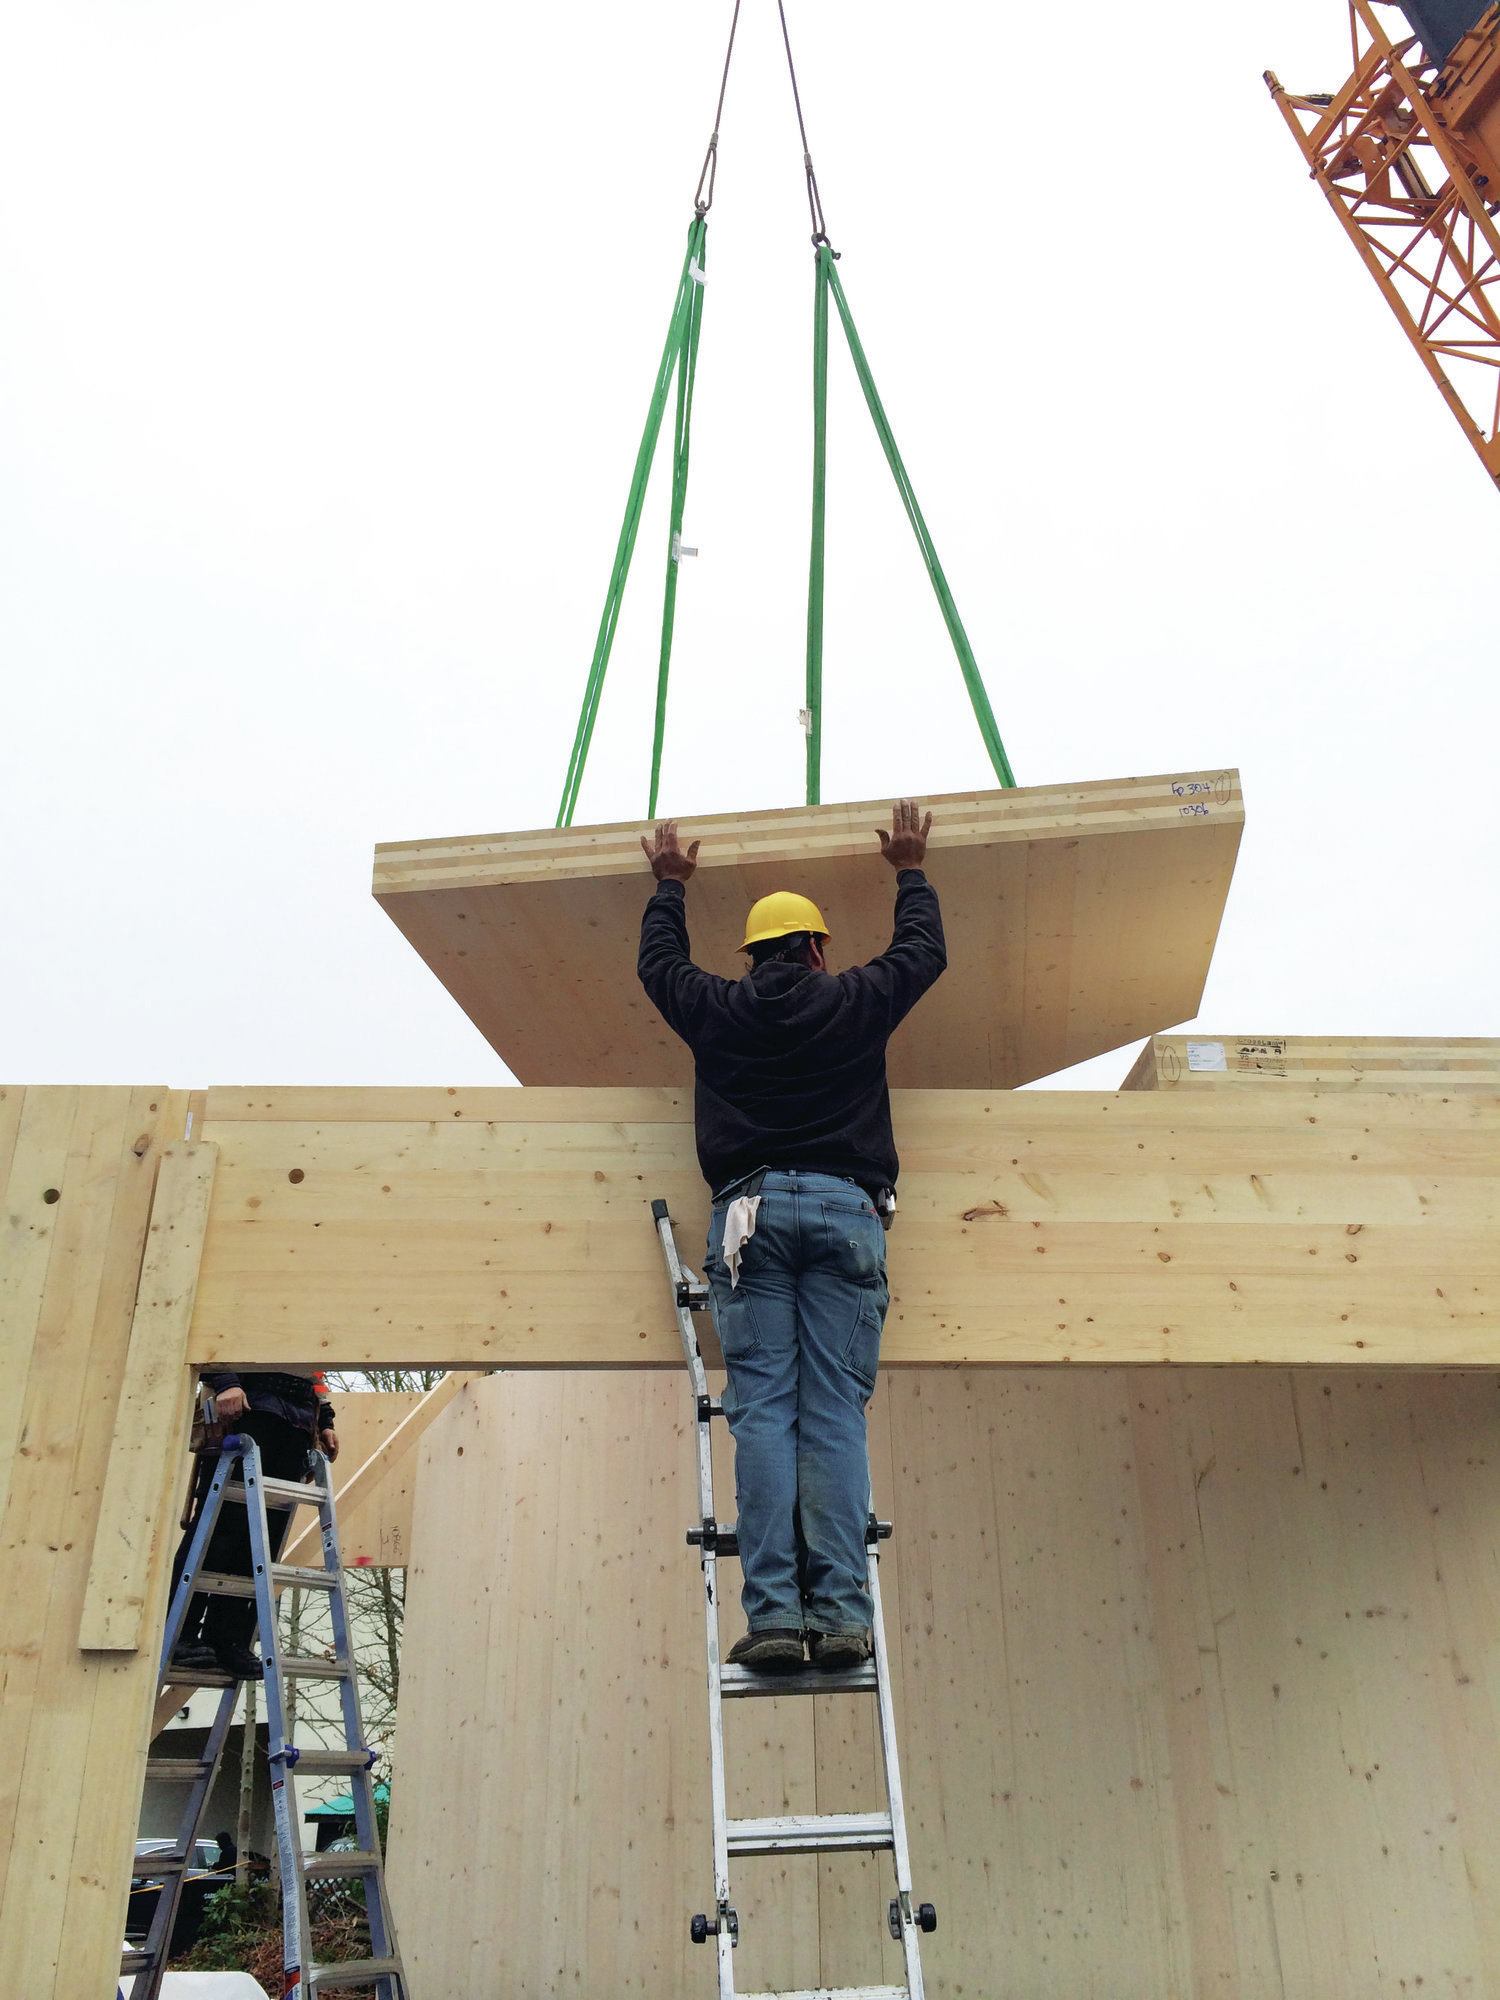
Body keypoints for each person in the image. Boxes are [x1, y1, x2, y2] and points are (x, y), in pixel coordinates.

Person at [638, 799, 946, 1674]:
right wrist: (910, 870)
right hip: (847, 1213)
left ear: (754, 955)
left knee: (764, 1416)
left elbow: (659, 968)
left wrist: (668, 886)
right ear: (816, 948)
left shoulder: (719, 1010)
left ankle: (776, 1617)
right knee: (834, 1415)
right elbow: (924, 954)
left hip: (749, 1219)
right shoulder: (855, 999)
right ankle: (842, 1616)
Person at [166, 1369, 339, 1680]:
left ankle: (228, 1640)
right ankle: (182, 1633)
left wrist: (325, 1421)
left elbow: (313, 1366)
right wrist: (227, 1382)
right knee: (219, 1531)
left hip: (296, 1422)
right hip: (248, 1408)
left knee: (261, 1540)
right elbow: (216, 1334)